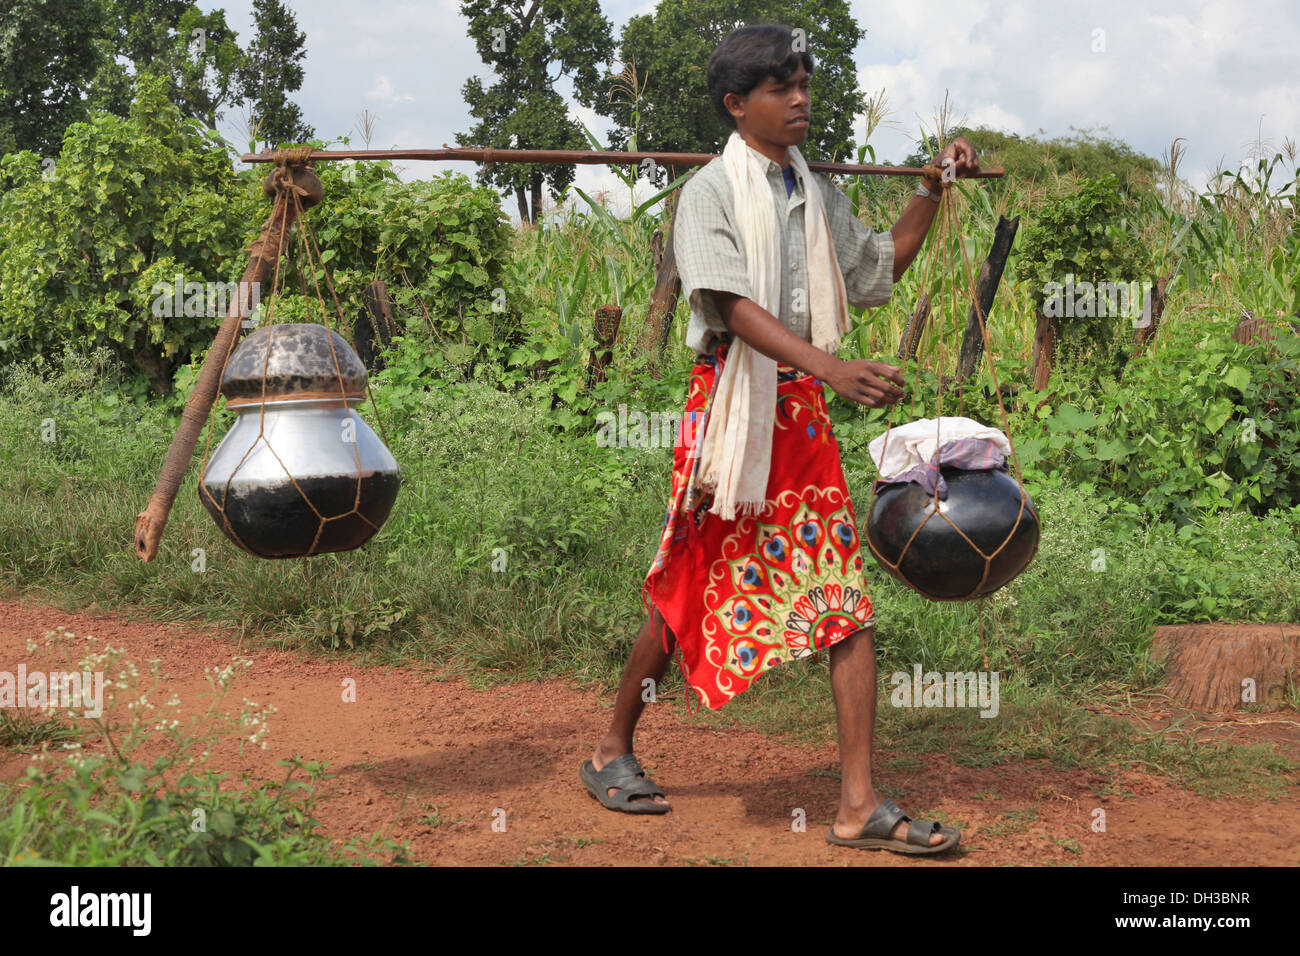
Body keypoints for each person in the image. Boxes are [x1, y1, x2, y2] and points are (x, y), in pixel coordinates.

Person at [580, 23, 980, 855]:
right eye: (779, 86)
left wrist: (933, 189)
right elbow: (729, 306)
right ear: (737, 105)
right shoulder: (710, 195)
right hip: (730, 408)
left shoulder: (812, 188)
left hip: (799, 416)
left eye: (803, 81)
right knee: (687, 584)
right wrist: (832, 368)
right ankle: (613, 747)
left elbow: (877, 265)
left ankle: (857, 804)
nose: (800, 98)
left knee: (843, 602)